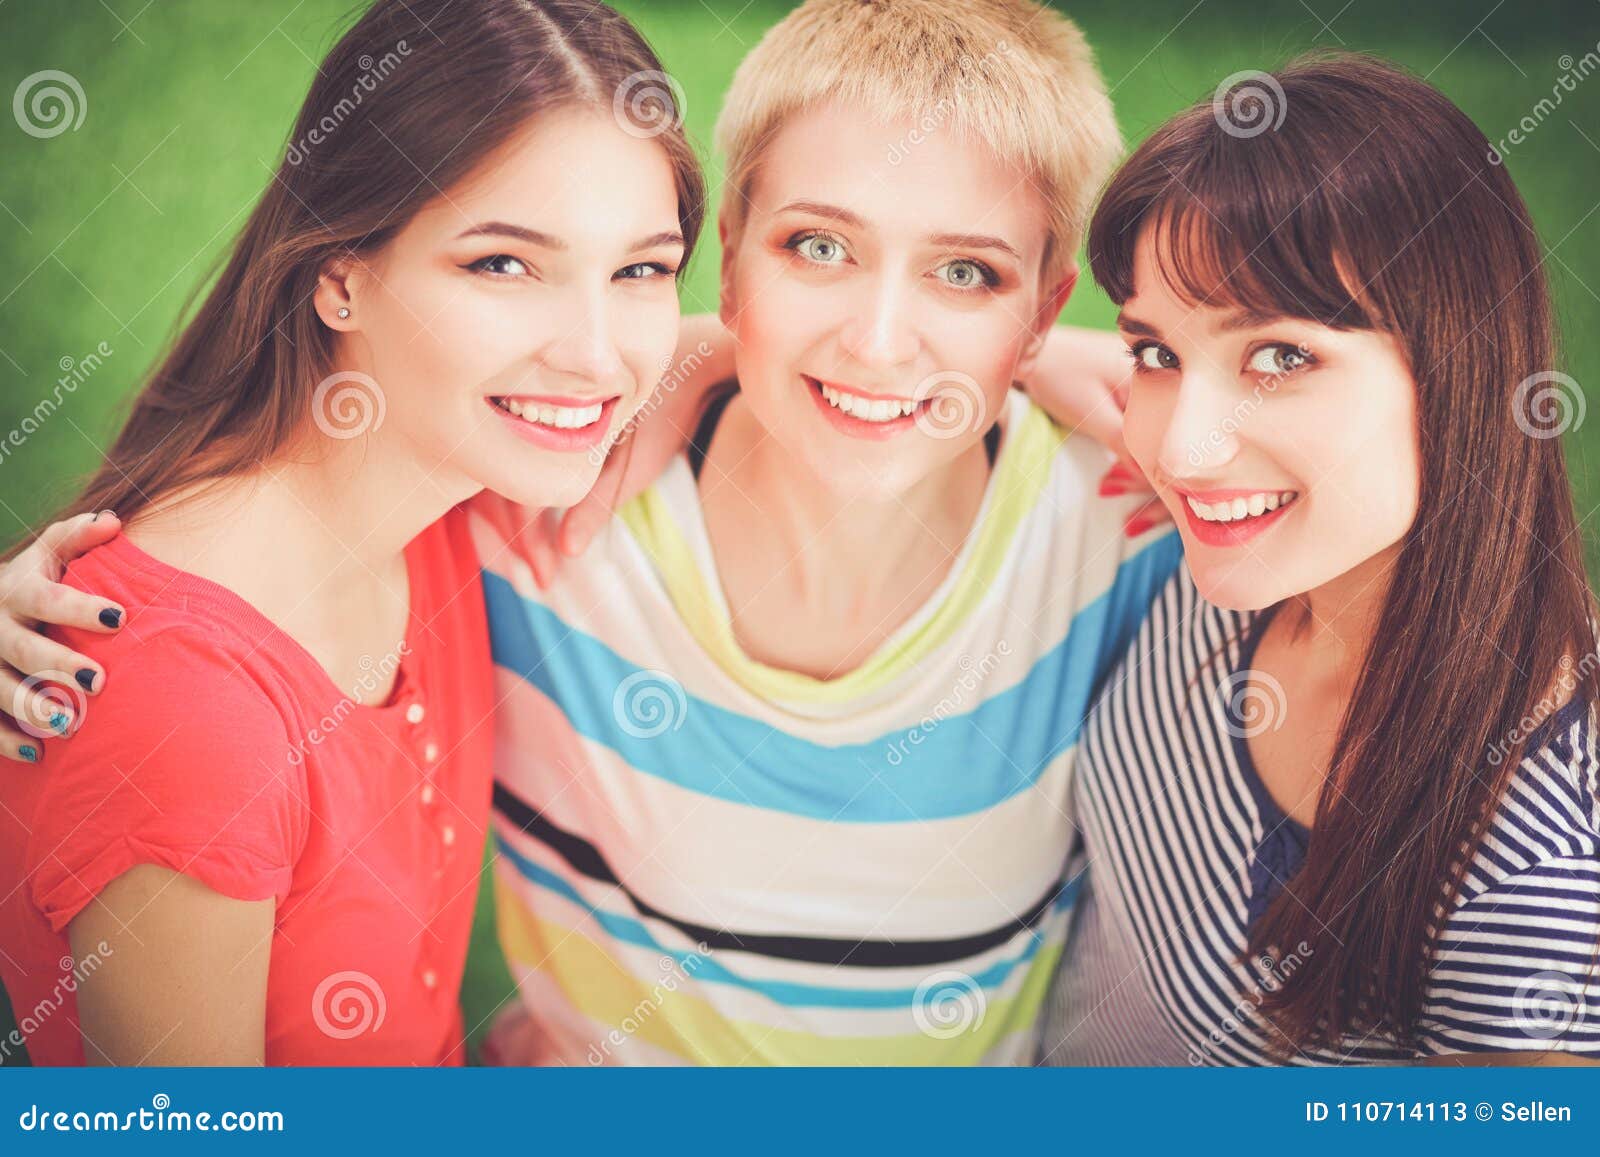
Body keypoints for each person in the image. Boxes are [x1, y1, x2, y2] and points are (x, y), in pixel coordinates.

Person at [471, 0, 1178, 1065]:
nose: (879, 342)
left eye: (966, 272)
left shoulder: (1125, 531)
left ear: (1040, 313)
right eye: (817, 245)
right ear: (730, 259)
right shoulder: (543, 499)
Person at [0, 0, 707, 1065]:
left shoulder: (454, 474)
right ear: (339, 277)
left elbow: (801, 346)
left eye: (641, 269)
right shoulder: (190, 711)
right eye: (503, 265)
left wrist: (1032, 357)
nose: (599, 359)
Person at [1041, 54, 1600, 1066]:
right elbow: (971, 352)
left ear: (1461, 365)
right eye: (1157, 351)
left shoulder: (1533, 890)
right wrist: (711, 359)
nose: (1178, 451)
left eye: (1281, 357)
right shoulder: (1243, 546)